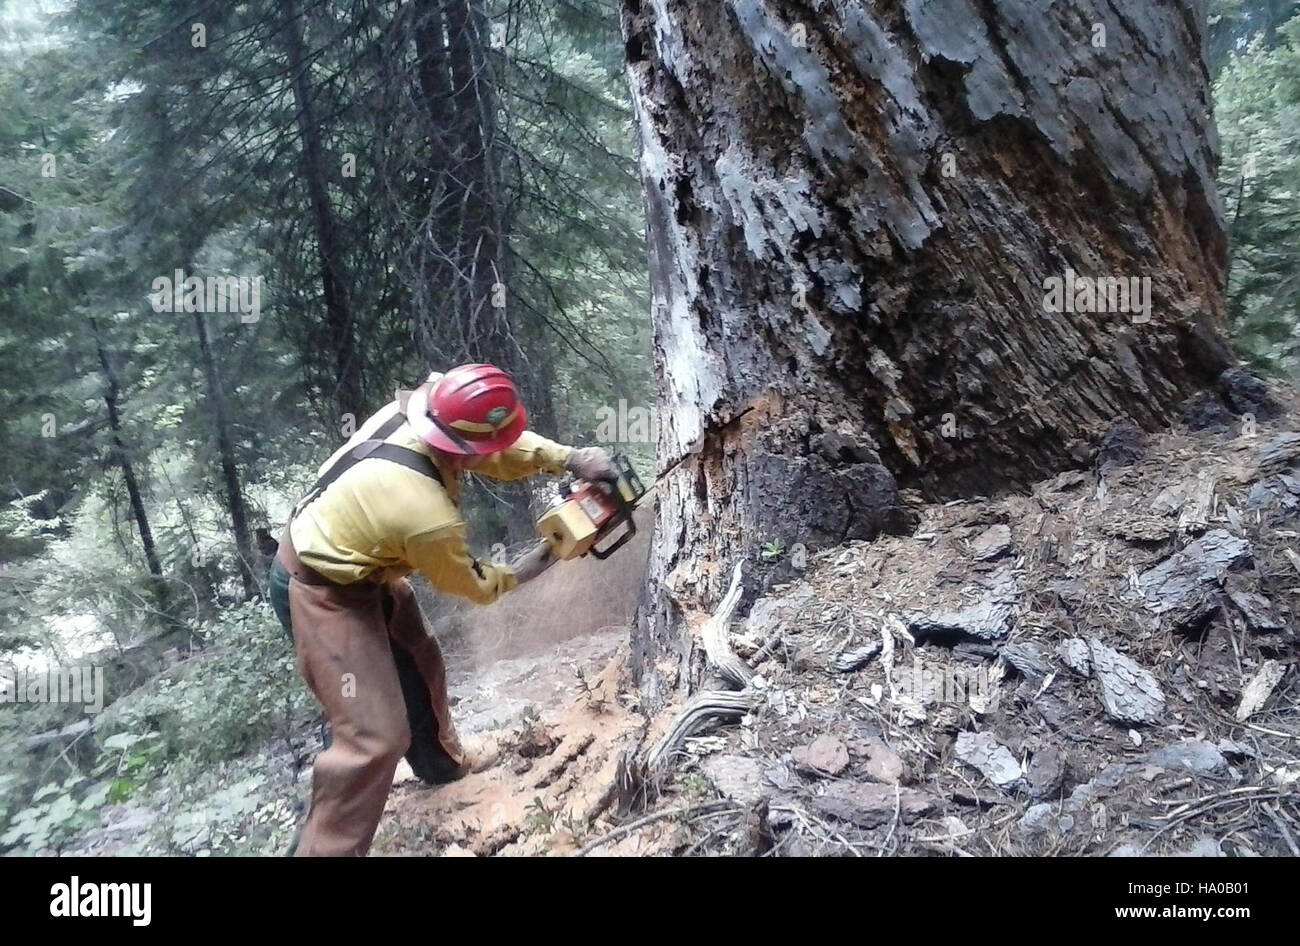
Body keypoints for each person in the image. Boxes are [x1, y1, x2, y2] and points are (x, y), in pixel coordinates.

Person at [267, 363, 616, 856]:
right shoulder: (424, 514)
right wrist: (528, 568)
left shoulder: (431, 409)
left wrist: (569, 458)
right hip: (318, 584)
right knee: (373, 736)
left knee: (419, 658)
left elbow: (493, 447)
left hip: (366, 562)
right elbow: (472, 585)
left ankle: (439, 764)